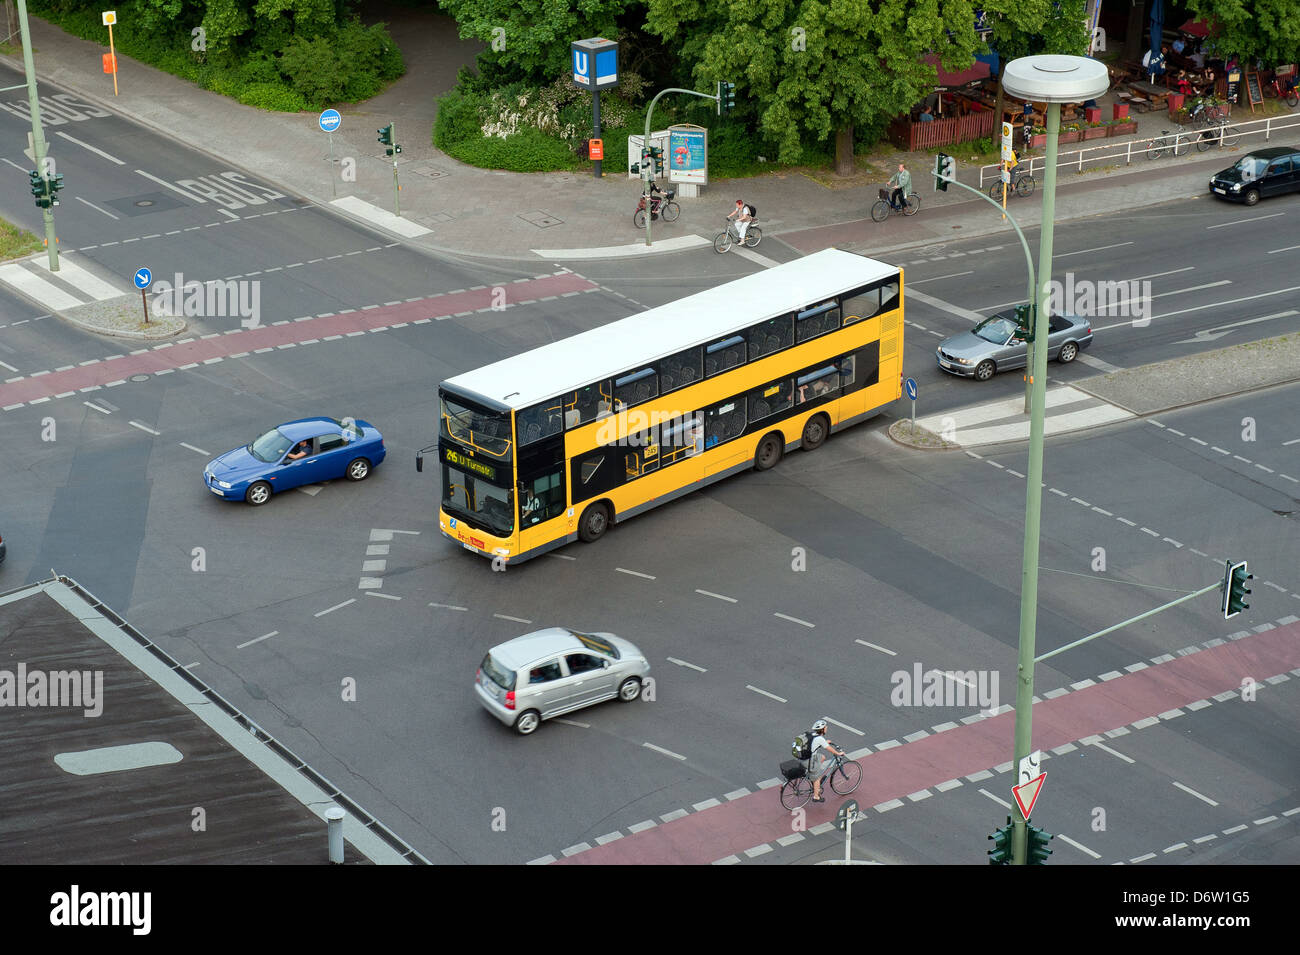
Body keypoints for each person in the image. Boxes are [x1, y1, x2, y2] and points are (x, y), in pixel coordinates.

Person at [808, 719, 845, 803]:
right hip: (810, 759)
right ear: (822, 729)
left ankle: (813, 773)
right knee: (817, 778)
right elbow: (830, 749)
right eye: (825, 727)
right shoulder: (820, 739)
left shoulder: (812, 734)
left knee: (823, 757)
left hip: (805, 757)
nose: (826, 728)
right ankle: (816, 796)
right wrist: (838, 753)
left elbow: (814, 744)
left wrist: (825, 742)